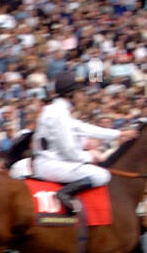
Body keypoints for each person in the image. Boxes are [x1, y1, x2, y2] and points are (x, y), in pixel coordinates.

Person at [31, 70, 128, 218]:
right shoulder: (59, 114)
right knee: (102, 175)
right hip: (51, 164)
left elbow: (83, 128)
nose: (82, 96)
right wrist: (90, 156)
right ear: (71, 94)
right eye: (80, 92)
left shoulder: (56, 110)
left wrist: (119, 134)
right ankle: (64, 194)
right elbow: (68, 152)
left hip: (49, 162)